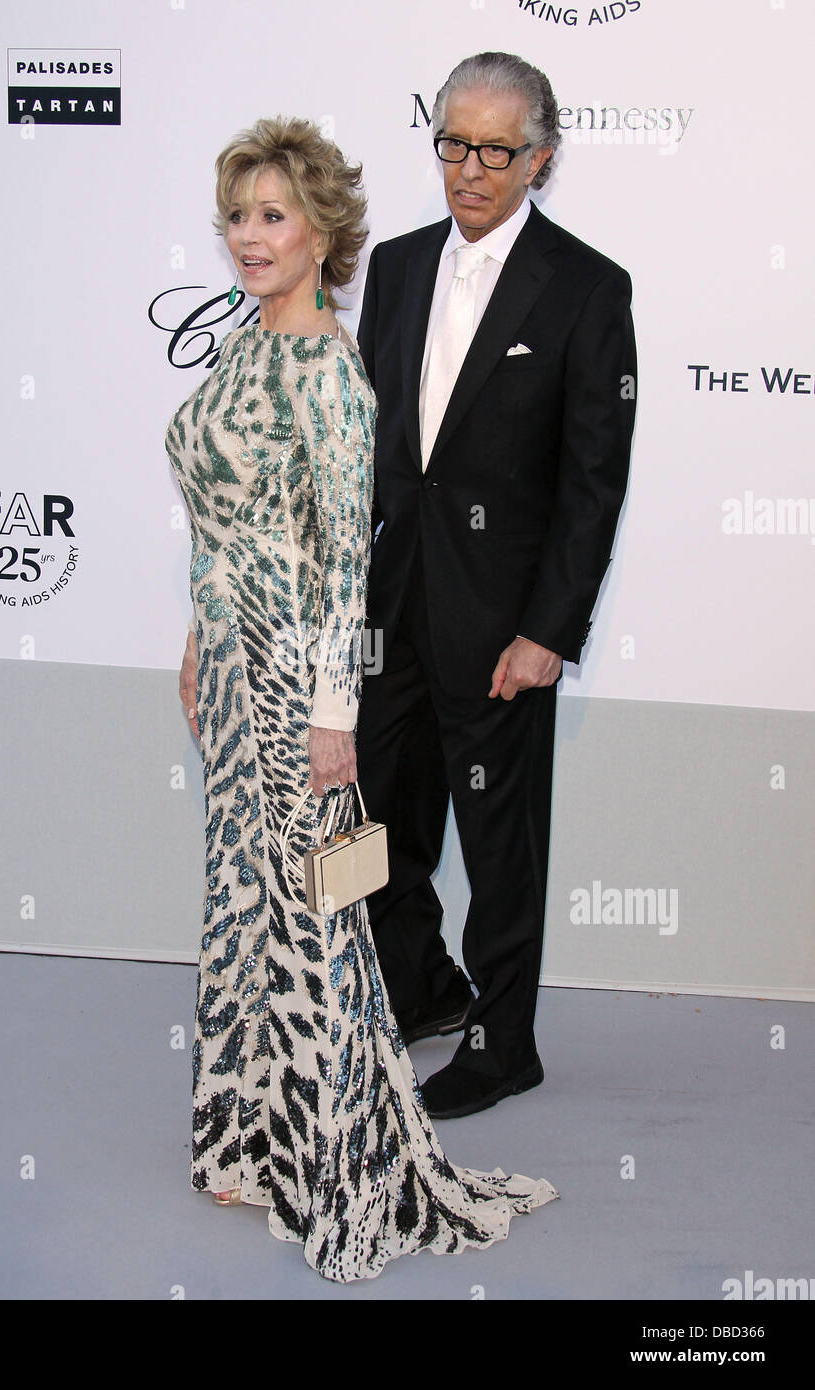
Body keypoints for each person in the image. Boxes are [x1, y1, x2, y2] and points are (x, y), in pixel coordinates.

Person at [165, 115, 557, 1283]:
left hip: (298, 678)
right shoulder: (243, 347)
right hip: (233, 670)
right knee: (244, 902)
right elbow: (219, 519)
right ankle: (247, 1132)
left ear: (324, 232)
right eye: (237, 215)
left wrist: (335, 712)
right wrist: (197, 634)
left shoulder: (332, 373)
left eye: (273, 216)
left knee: (318, 919)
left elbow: (343, 556)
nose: (249, 236)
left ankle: (337, 1150)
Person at [356, 52, 638, 1120]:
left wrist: (548, 631)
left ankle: (502, 1039)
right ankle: (422, 986)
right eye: (452, 143)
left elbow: (592, 481)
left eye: (495, 150)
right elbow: (382, 449)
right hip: (391, 610)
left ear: (541, 158)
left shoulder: (587, 288)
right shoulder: (394, 265)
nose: (468, 168)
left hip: (504, 625)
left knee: (500, 843)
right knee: (377, 819)